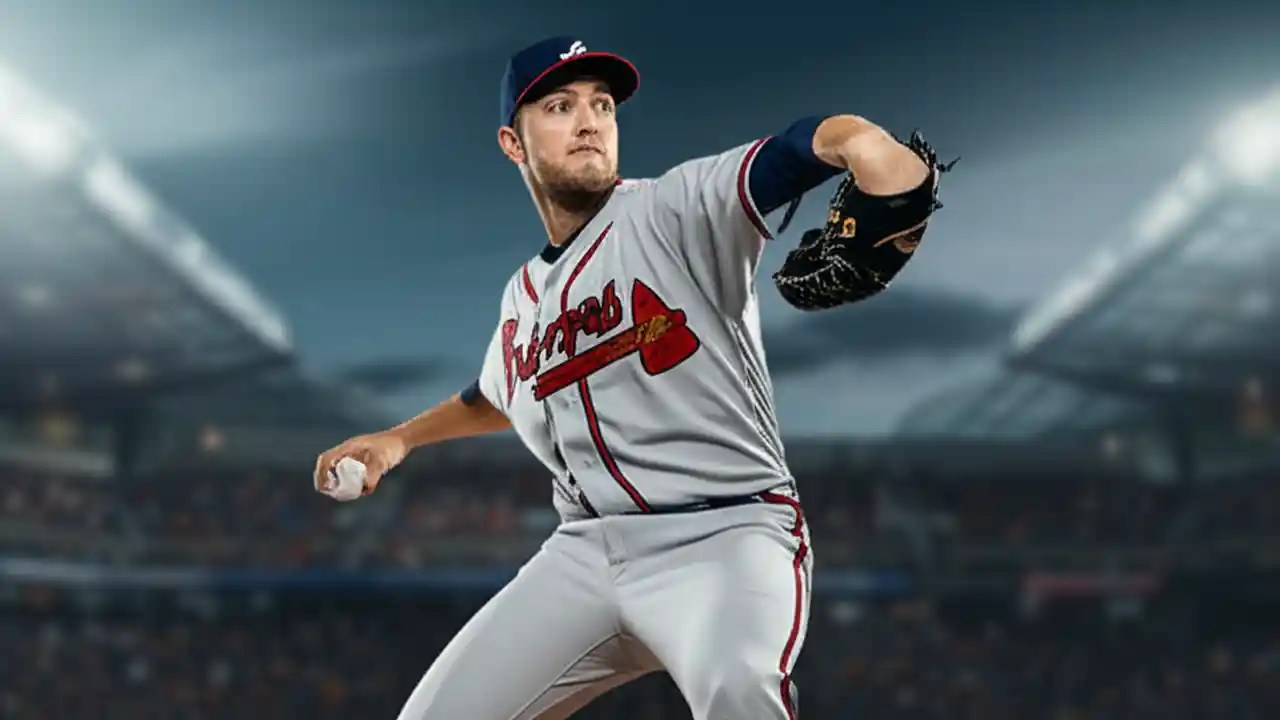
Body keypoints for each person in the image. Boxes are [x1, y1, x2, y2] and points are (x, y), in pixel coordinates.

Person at [314, 35, 934, 719]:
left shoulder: (677, 210)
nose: (589, 120)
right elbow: (494, 395)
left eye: (602, 104)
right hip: (583, 552)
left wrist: (868, 146)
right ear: (511, 144)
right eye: (559, 105)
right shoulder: (522, 295)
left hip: (725, 535)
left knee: (740, 691)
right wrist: (395, 441)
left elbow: (807, 146)